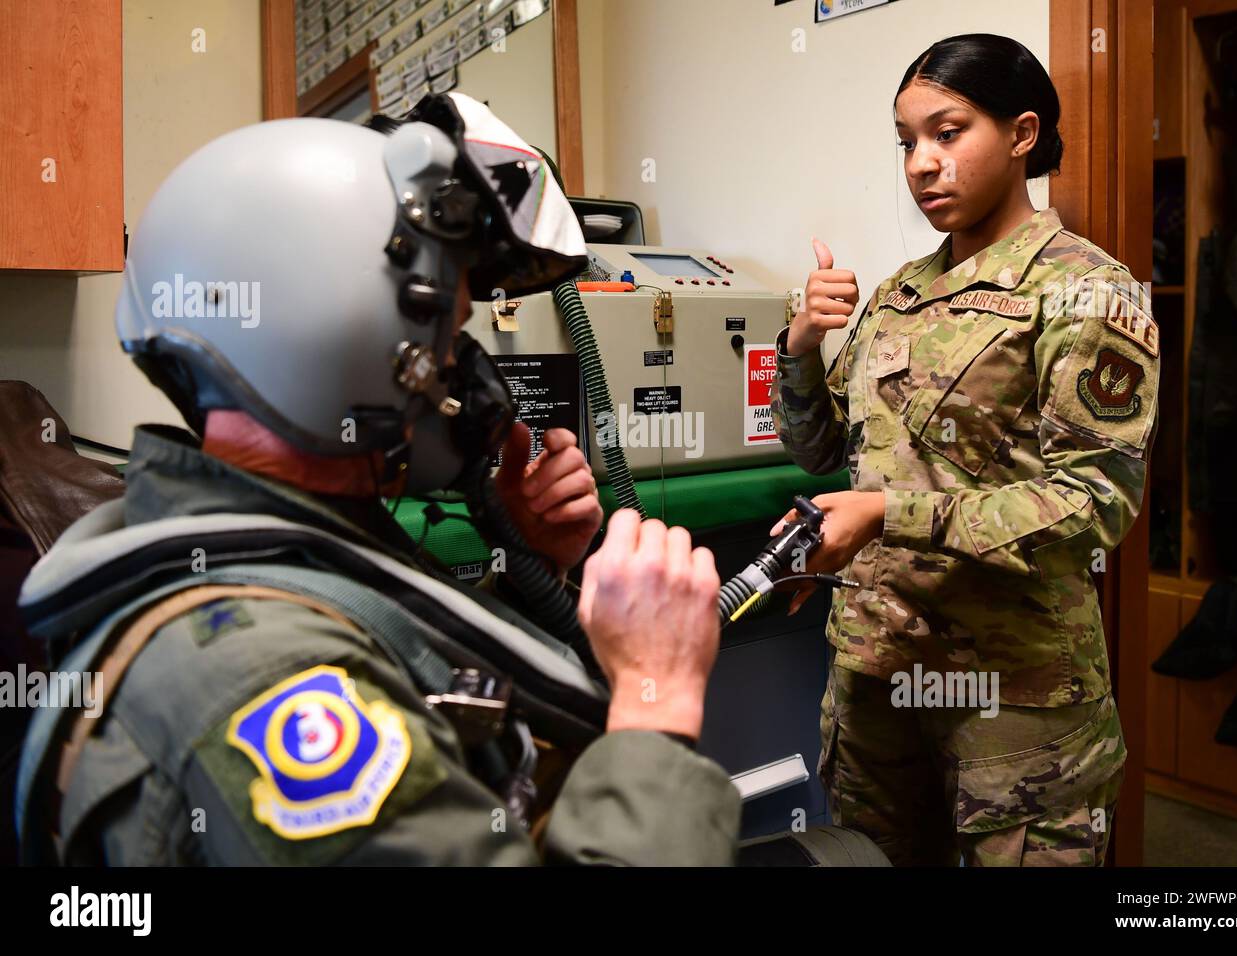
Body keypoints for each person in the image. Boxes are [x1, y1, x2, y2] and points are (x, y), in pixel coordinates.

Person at [15, 93, 740, 865]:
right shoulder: (266, 684)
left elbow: (400, 669)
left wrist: (528, 557)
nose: (471, 375)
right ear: (352, 336)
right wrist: (655, 696)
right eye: (452, 334)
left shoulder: (289, 557)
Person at [770, 34, 1158, 866]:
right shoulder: (900, 292)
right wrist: (801, 344)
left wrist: (888, 514)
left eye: (948, 133)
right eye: (907, 142)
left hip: (1014, 706)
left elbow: (1093, 506)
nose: (921, 163)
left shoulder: (1086, 291)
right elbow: (815, 451)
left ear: (1022, 135)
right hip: (878, 678)